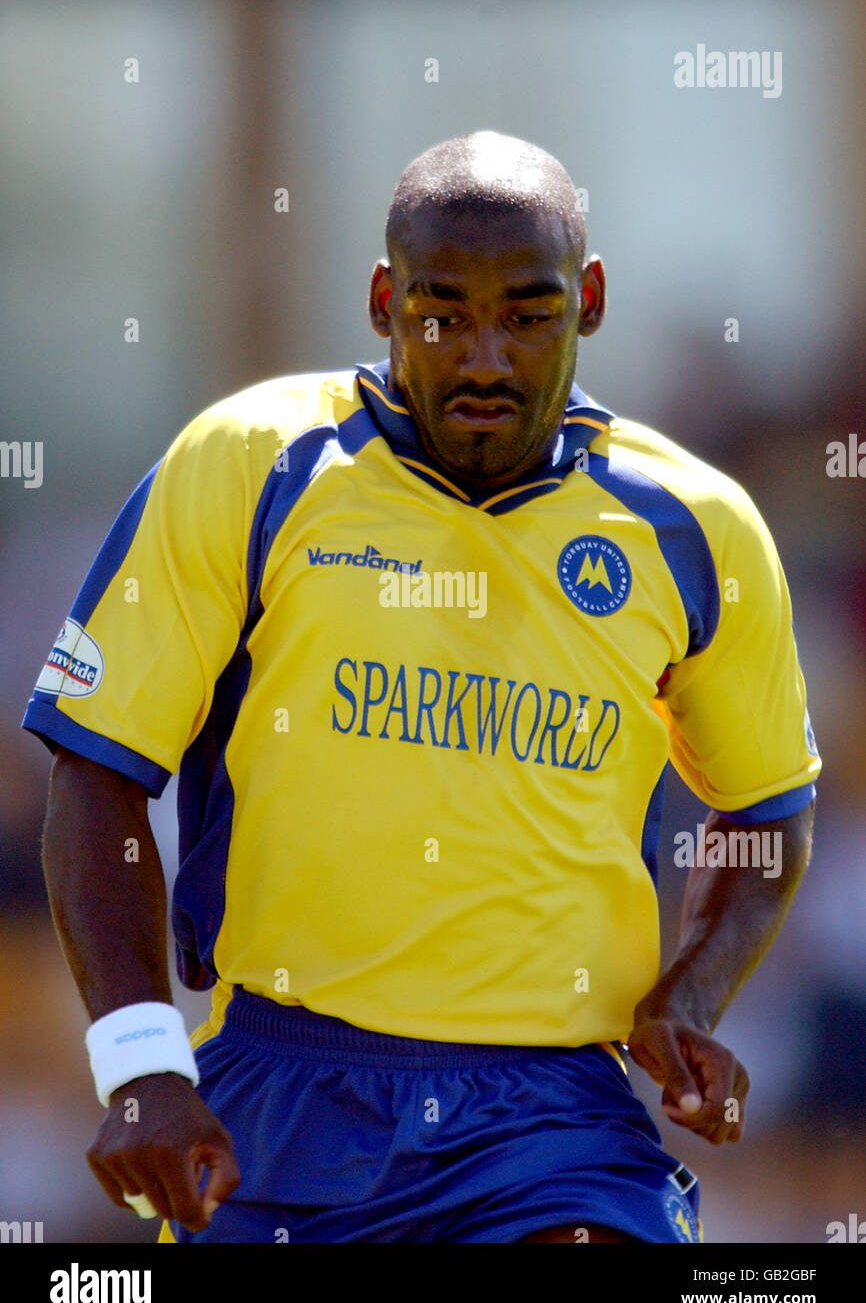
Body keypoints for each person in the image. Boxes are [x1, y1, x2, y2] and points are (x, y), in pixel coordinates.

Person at [23, 131, 820, 1244]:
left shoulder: (695, 529)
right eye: (440, 313)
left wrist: (687, 994)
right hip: (278, 1091)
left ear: (587, 302)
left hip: (551, 1122)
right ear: (381, 300)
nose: (484, 357)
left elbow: (768, 806)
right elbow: (97, 768)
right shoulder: (251, 464)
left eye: (527, 313)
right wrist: (141, 1063)